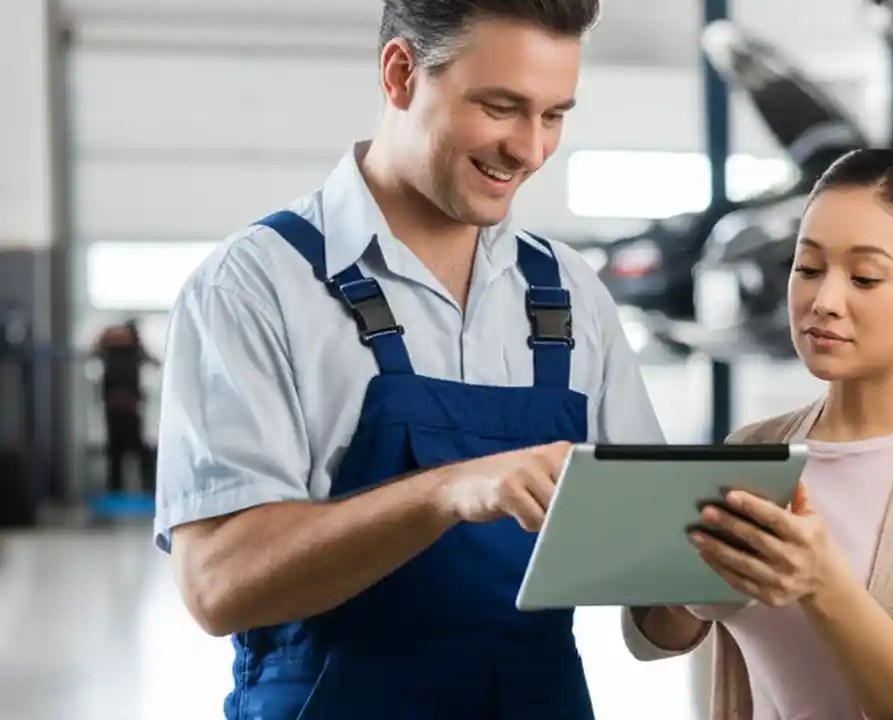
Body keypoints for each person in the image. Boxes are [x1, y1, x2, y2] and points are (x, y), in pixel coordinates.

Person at [155, 2, 663, 718]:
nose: (530, 149)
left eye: (553, 115)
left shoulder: (573, 293)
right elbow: (217, 584)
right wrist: (446, 492)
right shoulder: (255, 286)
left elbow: (658, 591)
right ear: (400, 74)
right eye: (500, 107)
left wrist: (719, 568)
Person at [623, 148, 893, 720]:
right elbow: (656, 640)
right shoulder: (753, 448)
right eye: (808, 268)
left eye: (865, 277)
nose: (824, 301)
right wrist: (681, 580)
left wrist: (821, 582)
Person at [93, 318, 158, 494]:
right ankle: (144, 486)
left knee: (118, 450)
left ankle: (118, 488)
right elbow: (154, 362)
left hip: (117, 404)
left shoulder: (113, 348)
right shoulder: (131, 349)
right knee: (130, 450)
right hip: (126, 404)